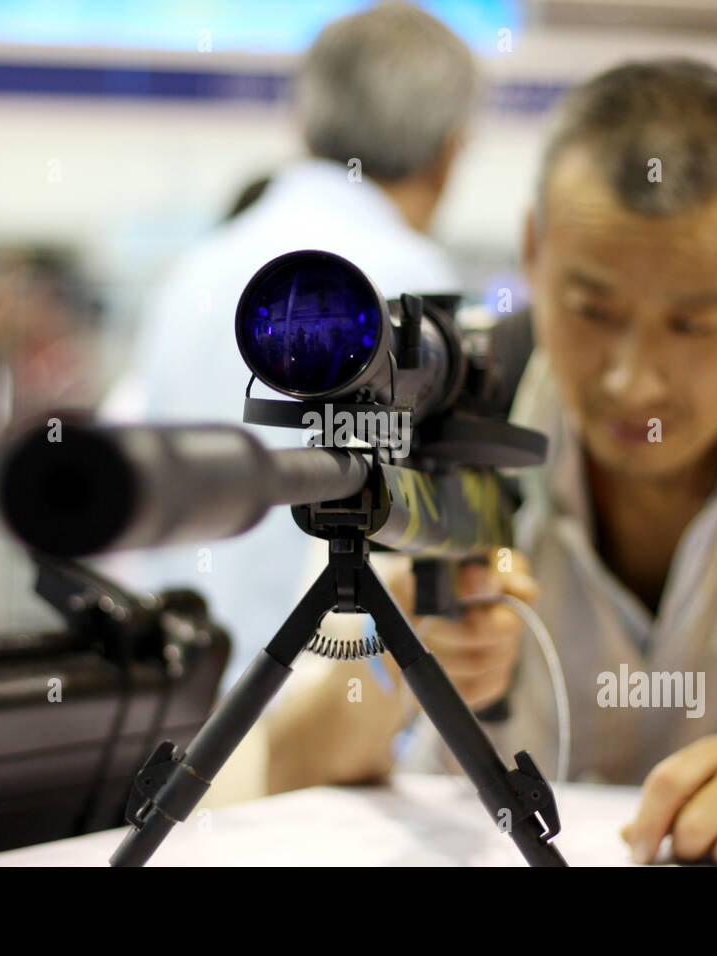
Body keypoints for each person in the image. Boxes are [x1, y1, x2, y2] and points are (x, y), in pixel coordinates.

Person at [264, 59, 717, 865]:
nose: (631, 379)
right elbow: (292, 764)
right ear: (534, 252)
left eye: (693, 323)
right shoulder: (434, 397)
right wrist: (392, 663)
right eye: (592, 310)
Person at [99, 2, 479, 687]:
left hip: (182, 691)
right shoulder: (415, 285)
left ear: (303, 124)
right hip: (331, 719)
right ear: (451, 149)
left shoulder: (194, 270)